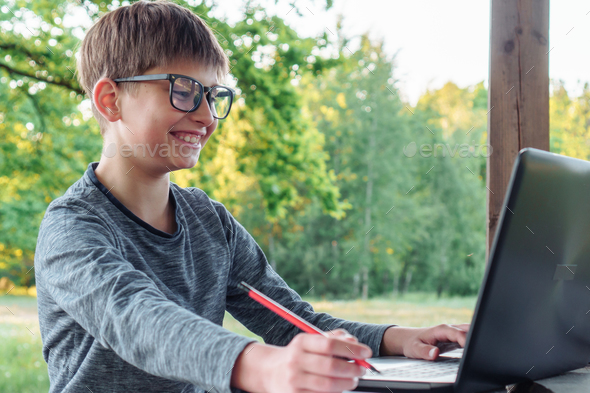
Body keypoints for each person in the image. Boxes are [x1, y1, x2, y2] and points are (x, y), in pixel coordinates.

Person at [34, 1, 469, 392]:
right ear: (111, 100)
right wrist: (264, 368)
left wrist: (402, 338)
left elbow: (294, 322)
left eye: (212, 95)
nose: (206, 116)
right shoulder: (71, 228)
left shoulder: (209, 221)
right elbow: (136, 319)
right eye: (183, 90)